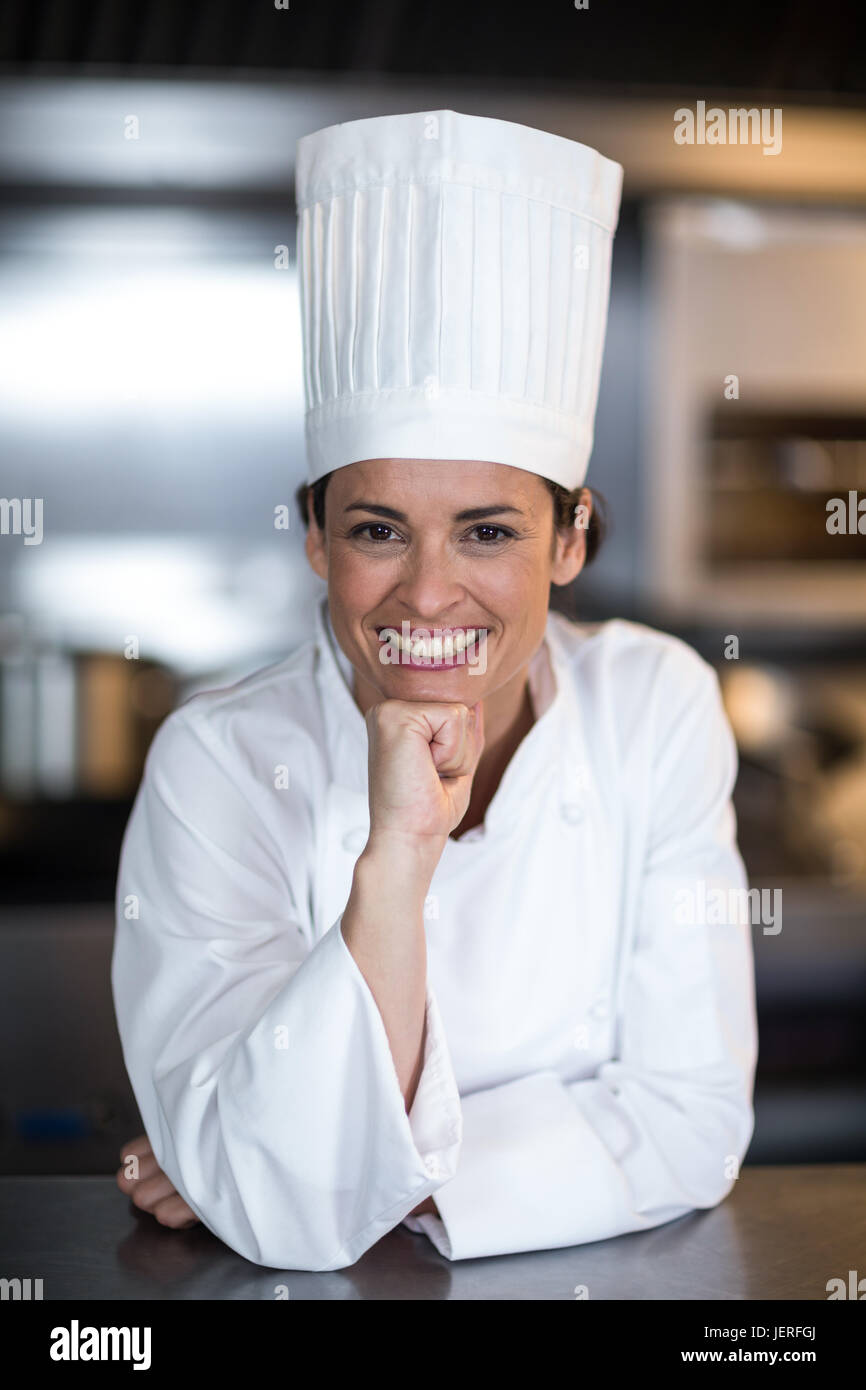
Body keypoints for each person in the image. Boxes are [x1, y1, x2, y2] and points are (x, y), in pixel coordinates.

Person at [112, 110, 757, 1270]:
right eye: (375, 528)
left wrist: (300, 1163)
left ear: (569, 539)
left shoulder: (652, 705)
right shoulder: (215, 760)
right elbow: (288, 1211)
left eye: (486, 531)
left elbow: (692, 1120)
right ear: (312, 535)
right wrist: (398, 853)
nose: (425, 593)